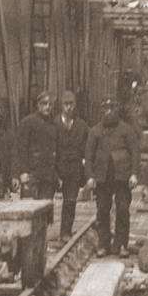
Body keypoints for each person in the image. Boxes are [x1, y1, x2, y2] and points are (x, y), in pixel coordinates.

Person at [84, 97, 140, 258]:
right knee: (102, 211)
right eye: (105, 109)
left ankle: (121, 244)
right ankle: (103, 244)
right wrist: (90, 176)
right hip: (103, 179)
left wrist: (134, 174)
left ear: (116, 110)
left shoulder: (126, 130)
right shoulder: (96, 131)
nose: (108, 113)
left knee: (122, 210)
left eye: (112, 109)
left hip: (122, 178)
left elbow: (135, 152)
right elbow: (89, 156)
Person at [15, 90, 58, 225]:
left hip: (48, 177)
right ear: (38, 105)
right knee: (28, 213)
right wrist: (22, 171)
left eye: (50, 104)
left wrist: (56, 174)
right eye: (44, 104)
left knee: (44, 212)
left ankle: (41, 244)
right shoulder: (28, 122)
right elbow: (20, 149)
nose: (47, 107)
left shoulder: (54, 126)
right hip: (32, 176)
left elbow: (56, 151)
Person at [56, 91, 89, 243]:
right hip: (56, 169)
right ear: (61, 105)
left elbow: (88, 147)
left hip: (74, 169)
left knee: (70, 202)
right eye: (66, 104)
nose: (69, 108)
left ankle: (65, 232)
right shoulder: (53, 123)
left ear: (75, 105)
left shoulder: (82, 125)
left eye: (71, 104)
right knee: (46, 202)